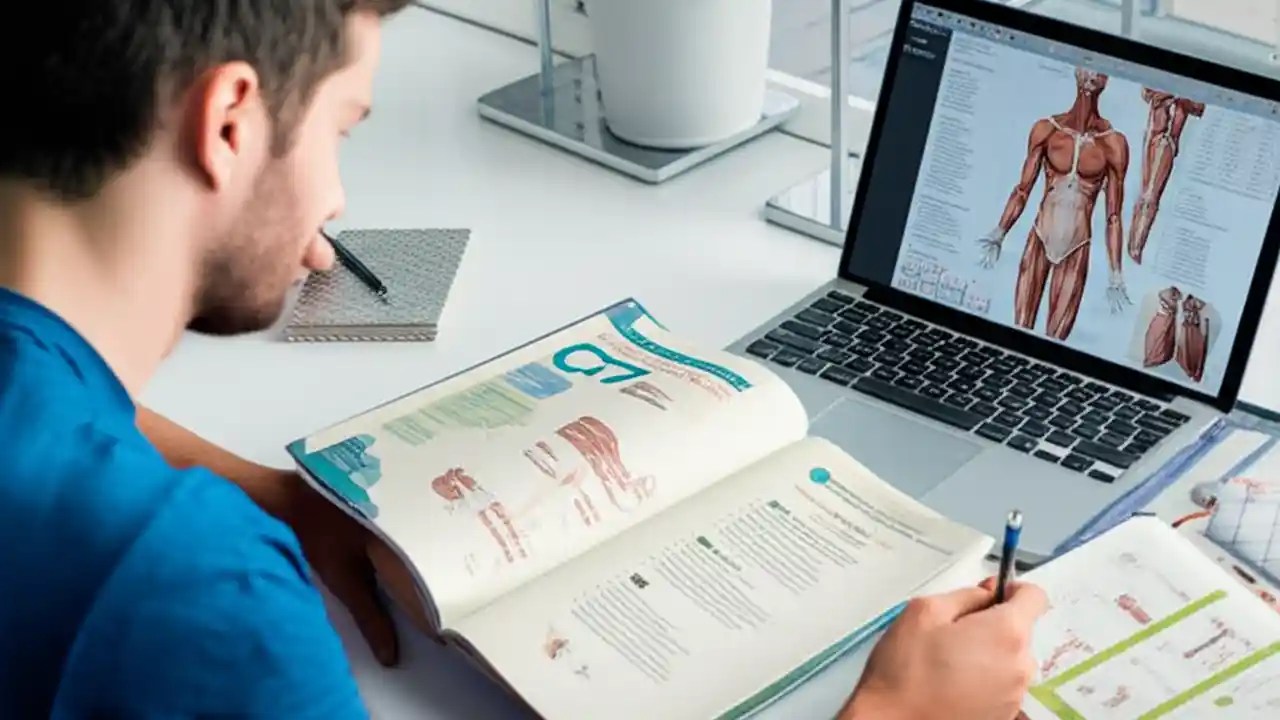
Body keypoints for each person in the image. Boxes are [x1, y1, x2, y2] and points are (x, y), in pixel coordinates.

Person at [0, 2, 1047, 718]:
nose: (335, 204)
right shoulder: (202, 598)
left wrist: (268, 488)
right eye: (342, 130)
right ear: (228, 122)